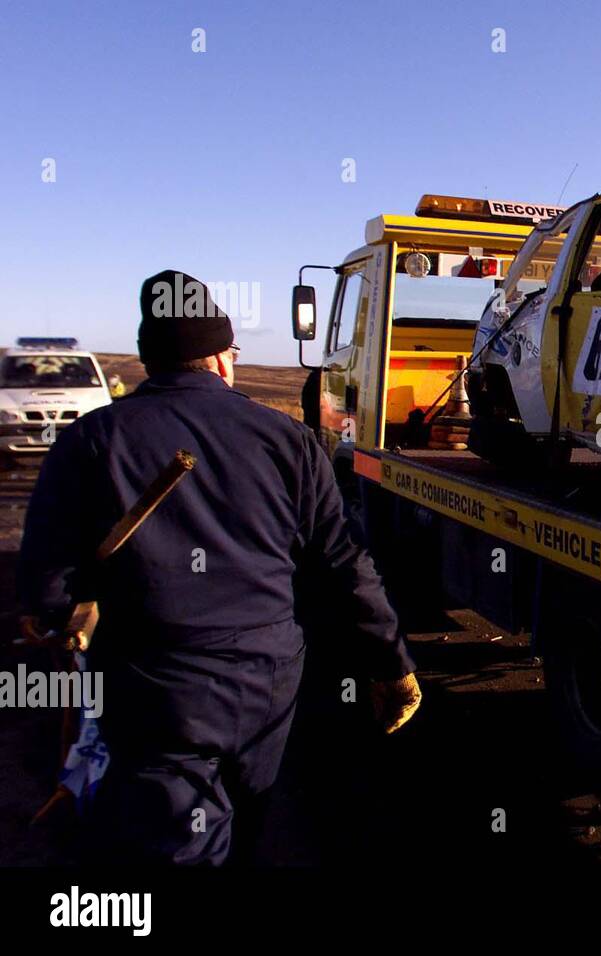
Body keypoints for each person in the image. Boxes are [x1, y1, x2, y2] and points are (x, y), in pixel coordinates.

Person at [17, 269, 421, 865]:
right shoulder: (287, 440)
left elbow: (48, 579)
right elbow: (341, 563)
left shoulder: (90, 441)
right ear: (220, 359)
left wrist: (62, 612)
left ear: (149, 360)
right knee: (250, 825)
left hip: (156, 689)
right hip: (268, 684)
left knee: (177, 840)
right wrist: (390, 662)